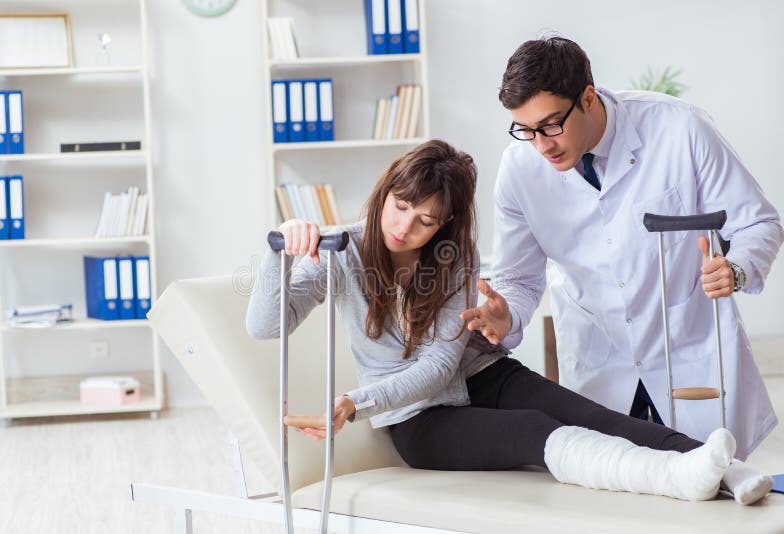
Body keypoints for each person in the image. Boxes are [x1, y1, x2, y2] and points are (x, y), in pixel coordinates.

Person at [246, 139, 772, 505]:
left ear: (445, 223)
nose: (404, 227)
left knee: (592, 414)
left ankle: (732, 470)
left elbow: (440, 363)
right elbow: (264, 326)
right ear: (385, 191)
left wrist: (353, 401)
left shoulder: (456, 255)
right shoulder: (343, 253)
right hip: (417, 418)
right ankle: (681, 479)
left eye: (425, 220)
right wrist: (281, 249)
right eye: (399, 206)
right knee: (534, 431)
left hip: (481, 374)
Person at [461, 36, 783, 463]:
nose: (541, 145)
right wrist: (508, 314)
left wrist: (737, 269)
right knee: (618, 496)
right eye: (526, 130)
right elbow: (519, 279)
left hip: (688, 354)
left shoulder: (679, 128)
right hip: (599, 362)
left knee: (710, 491)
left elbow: (759, 222)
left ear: (589, 98)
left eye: (551, 125)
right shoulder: (520, 169)